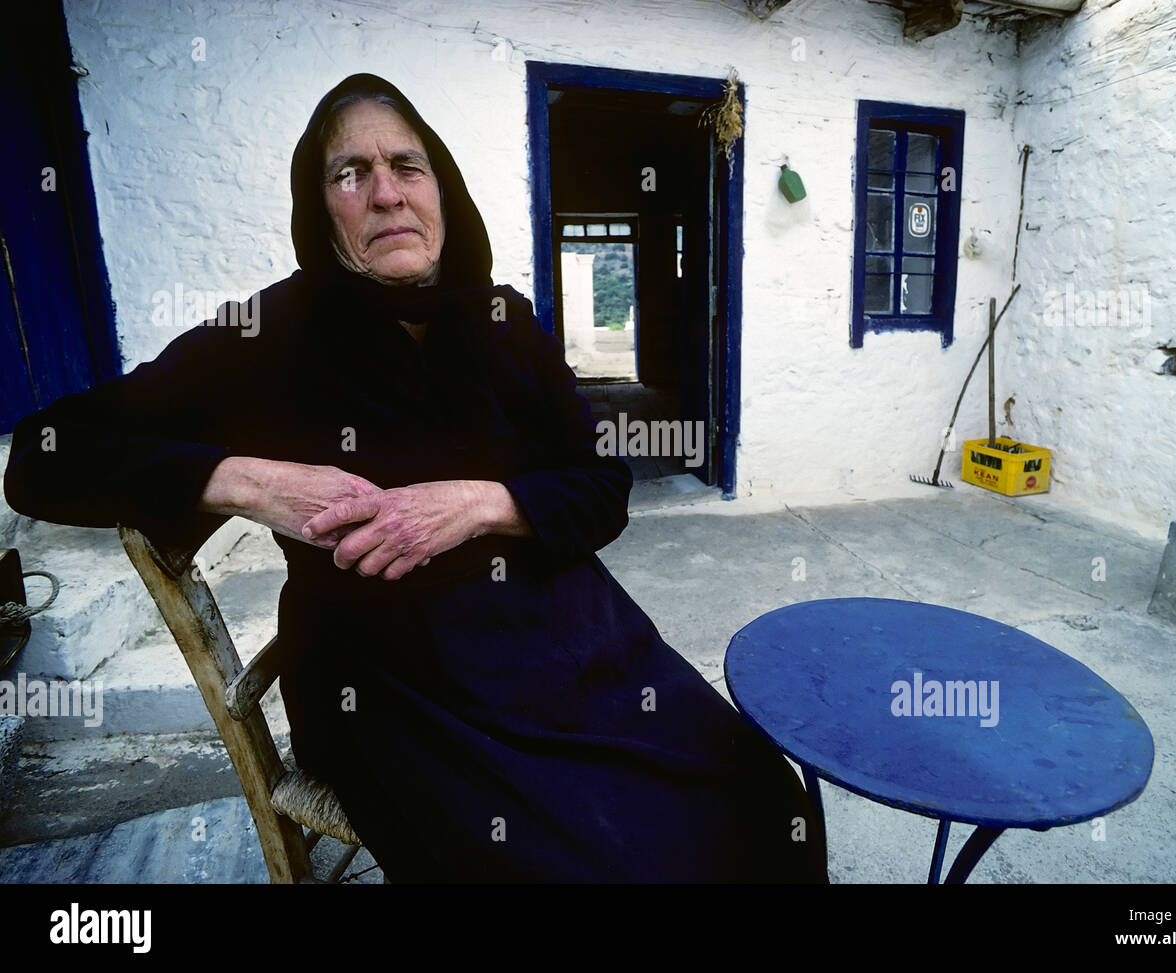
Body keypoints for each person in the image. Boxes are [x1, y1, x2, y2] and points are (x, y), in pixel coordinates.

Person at [3, 73, 828, 883]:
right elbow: (44, 453)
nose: (386, 193)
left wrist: (481, 503)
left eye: (406, 165)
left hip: (569, 642)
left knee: (757, 798)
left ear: (442, 191)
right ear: (319, 208)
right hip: (398, 685)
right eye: (350, 172)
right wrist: (248, 481)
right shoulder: (268, 336)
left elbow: (600, 482)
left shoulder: (504, 321)